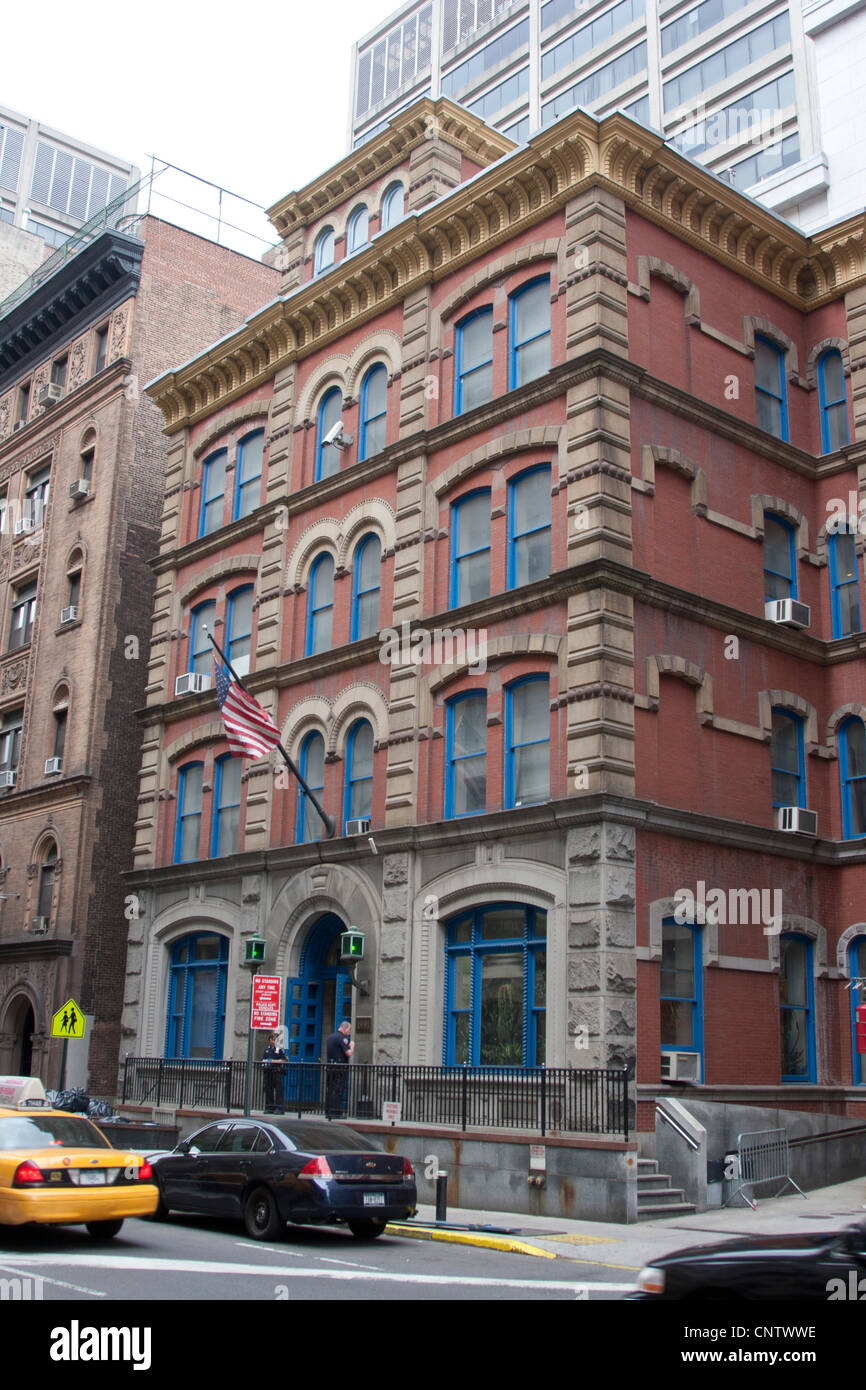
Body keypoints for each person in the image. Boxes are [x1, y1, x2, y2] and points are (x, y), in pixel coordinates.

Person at [325, 1019, 353, 1119]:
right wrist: (352, 1046)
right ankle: (335, 1112)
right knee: (338, 1090)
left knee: (330, 1089)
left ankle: (328, 1111)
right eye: (349, 1030)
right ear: (344, 1028)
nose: (349, 1032)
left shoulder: (330, 1037)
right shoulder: (342, 1038)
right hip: (339, 1068)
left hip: (330, 1067)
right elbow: (348, 1053)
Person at [261, 1031, 287, 1113]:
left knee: (279, 1091)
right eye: (272, 1039)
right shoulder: (266, 1050)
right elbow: (263, 1060)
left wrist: (272, 1061)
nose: (273, 1041)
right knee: (269, 1090)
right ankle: (269, 1107)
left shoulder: (279, 1050)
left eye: (275, 1040)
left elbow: (282, 1060)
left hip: (277, 1072)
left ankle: (279, 1108)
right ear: (269, 1040)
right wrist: (271, 1061)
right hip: (269, 1072)